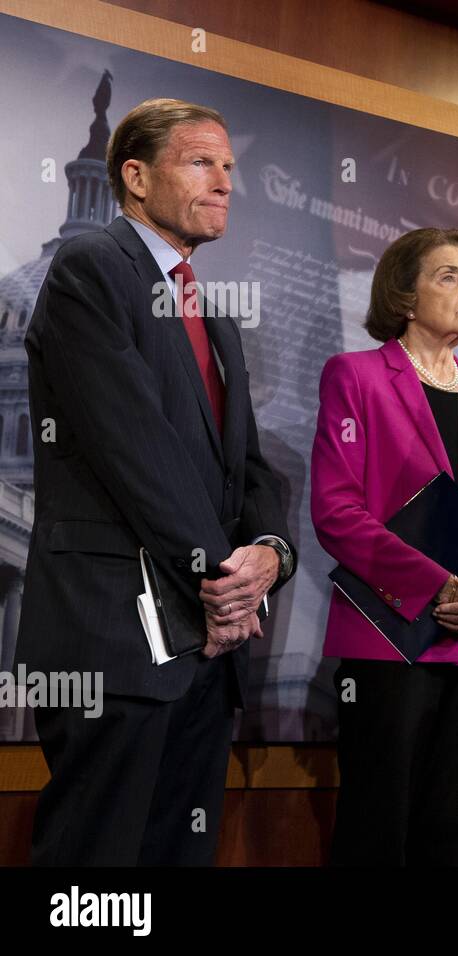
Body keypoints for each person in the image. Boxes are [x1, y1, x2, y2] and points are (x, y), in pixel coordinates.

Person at [18, 98, 296, 865]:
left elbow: (248, 470)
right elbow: (134, 447)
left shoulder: (218, 318)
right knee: (98, 866)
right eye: (202, 162)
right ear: (134, 177)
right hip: (113, 637)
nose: (226, 182)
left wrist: (271, 552)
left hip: (208, 648)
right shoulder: (90, 269)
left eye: (230, 168)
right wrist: (222, 580)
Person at [311, 227, 458, 865]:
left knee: (445, 834)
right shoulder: (354, 377)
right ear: (404, 296)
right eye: (449, 277)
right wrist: (435, 584)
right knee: (376, 832)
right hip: (388, 637)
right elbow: (336, 512)